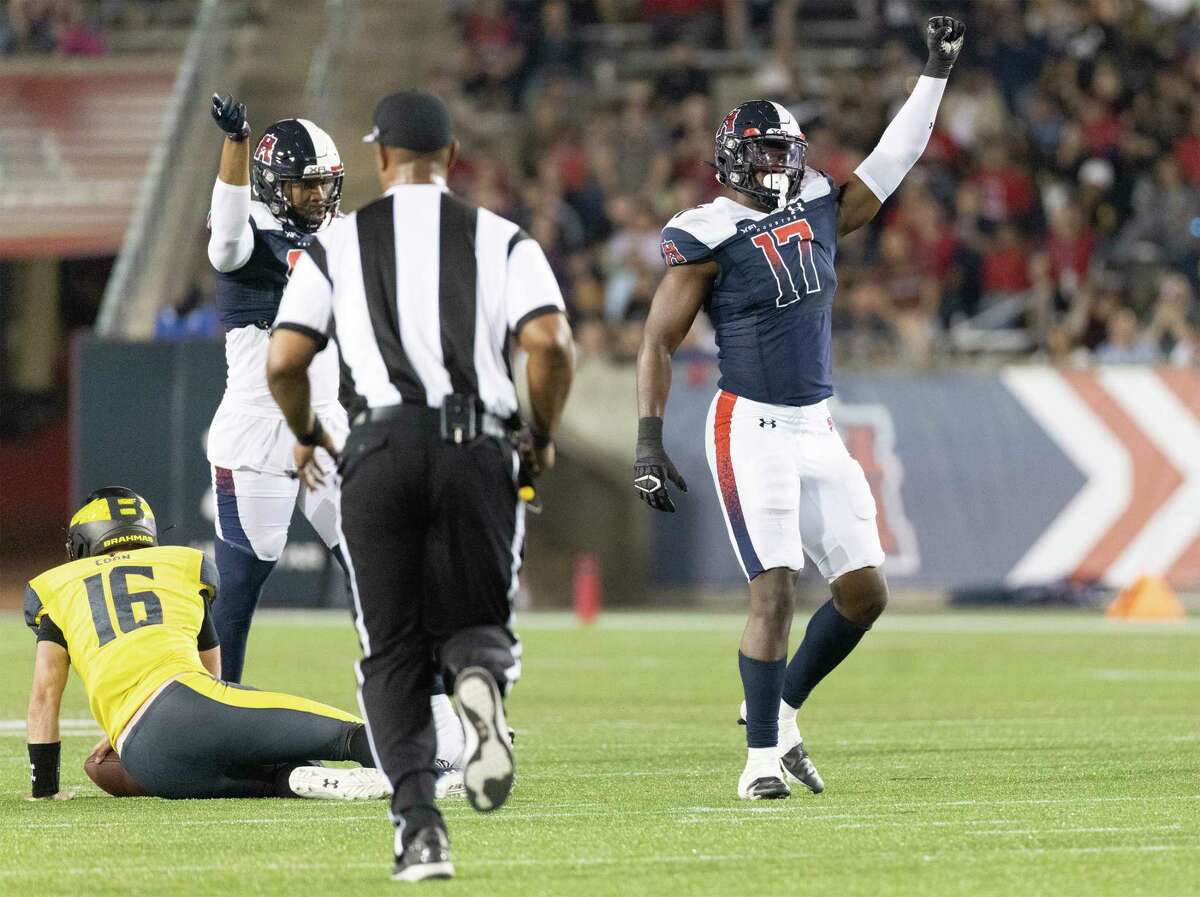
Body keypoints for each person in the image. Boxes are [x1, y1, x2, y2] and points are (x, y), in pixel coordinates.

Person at [634, 17, 965, 800]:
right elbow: (656, 341)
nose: (786, 167)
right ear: (734, 161)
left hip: (818, 423)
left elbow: (896, 155)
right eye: (770, 155)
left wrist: (935, 71)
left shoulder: (820, 200)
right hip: (749, 423)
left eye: (791, 153)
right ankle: (754, 766)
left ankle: (777, 714)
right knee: (773, 589)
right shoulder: (705, 232)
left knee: (864, 593)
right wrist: (648, 440)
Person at [266, 90, 574, 881]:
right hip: (477, 441)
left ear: (378, 159)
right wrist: (537, 435)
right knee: (476, 621)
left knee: (391, 652)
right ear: (452, 157)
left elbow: (284, 361)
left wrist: (308, 434)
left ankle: (420, 827)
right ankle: (476, 680)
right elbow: (551, 343)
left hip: (378, 444)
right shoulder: (500, 237)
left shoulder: (338, 245)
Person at [204, 94, 466, 789]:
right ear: (267, 183)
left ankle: (425, 711)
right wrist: (235, 144)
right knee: (243, 575)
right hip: (258, 432)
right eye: (304, 184)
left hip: (329, 427)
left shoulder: (344, 234)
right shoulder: (248, 229)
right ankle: (217, 714)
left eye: (325, 183)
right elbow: (225, 237)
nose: (317, 196)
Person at [23, 487, 388, 801]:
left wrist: (45, 788)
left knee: (99, 767)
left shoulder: (56, 586)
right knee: (351, 736)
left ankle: (295, 777)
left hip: (146, 759)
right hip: (188, 707)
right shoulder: (181, 563)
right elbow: (212, 676)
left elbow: (44, 695)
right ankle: (434, 770)